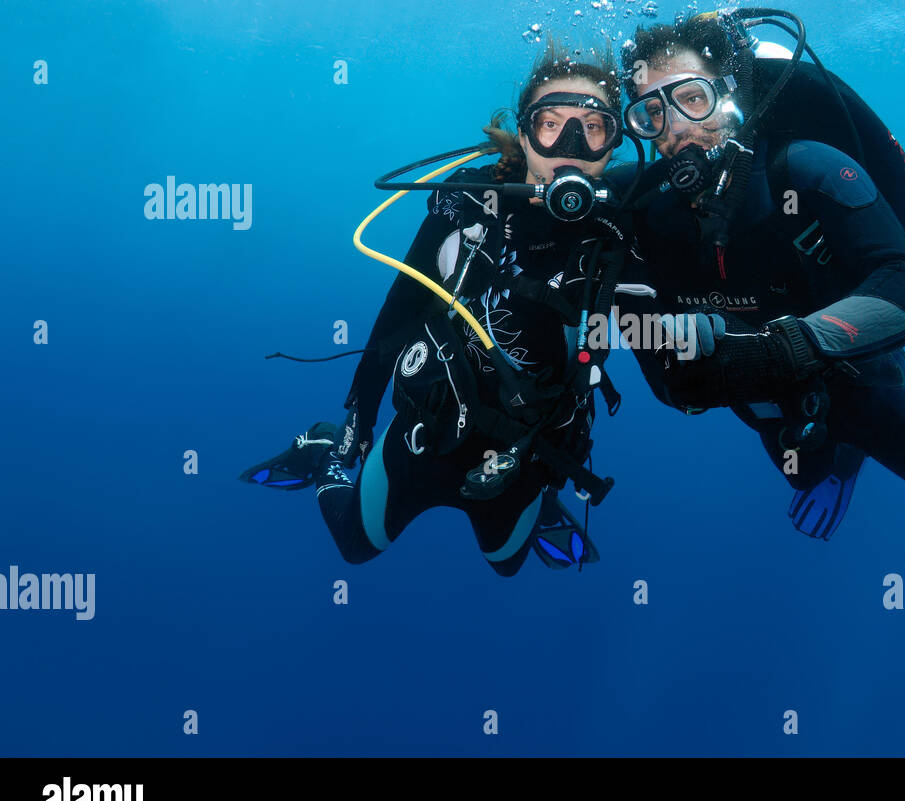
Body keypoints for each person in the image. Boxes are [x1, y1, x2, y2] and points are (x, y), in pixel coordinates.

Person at [615, 11, 905, 540]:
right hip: (760, 387)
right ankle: (839, 457)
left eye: (692, 98)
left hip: (855, 363)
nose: (677, 129)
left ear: (729, 94)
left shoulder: (804, 168)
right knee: (805, 474)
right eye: (651, 114)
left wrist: (788, 348)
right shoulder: (646, 211)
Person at [240, 43, 634, 575]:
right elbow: (399, 308)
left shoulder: (621, 224)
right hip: (432, 430)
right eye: (550, 123)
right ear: (524, 134)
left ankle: (537, 505)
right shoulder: (470, 204)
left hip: (531, 449)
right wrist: (360, 413)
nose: (570, 143)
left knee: (507, 565)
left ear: (614, 142)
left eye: (592, 126)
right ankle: (326, 448)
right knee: (356, 545)